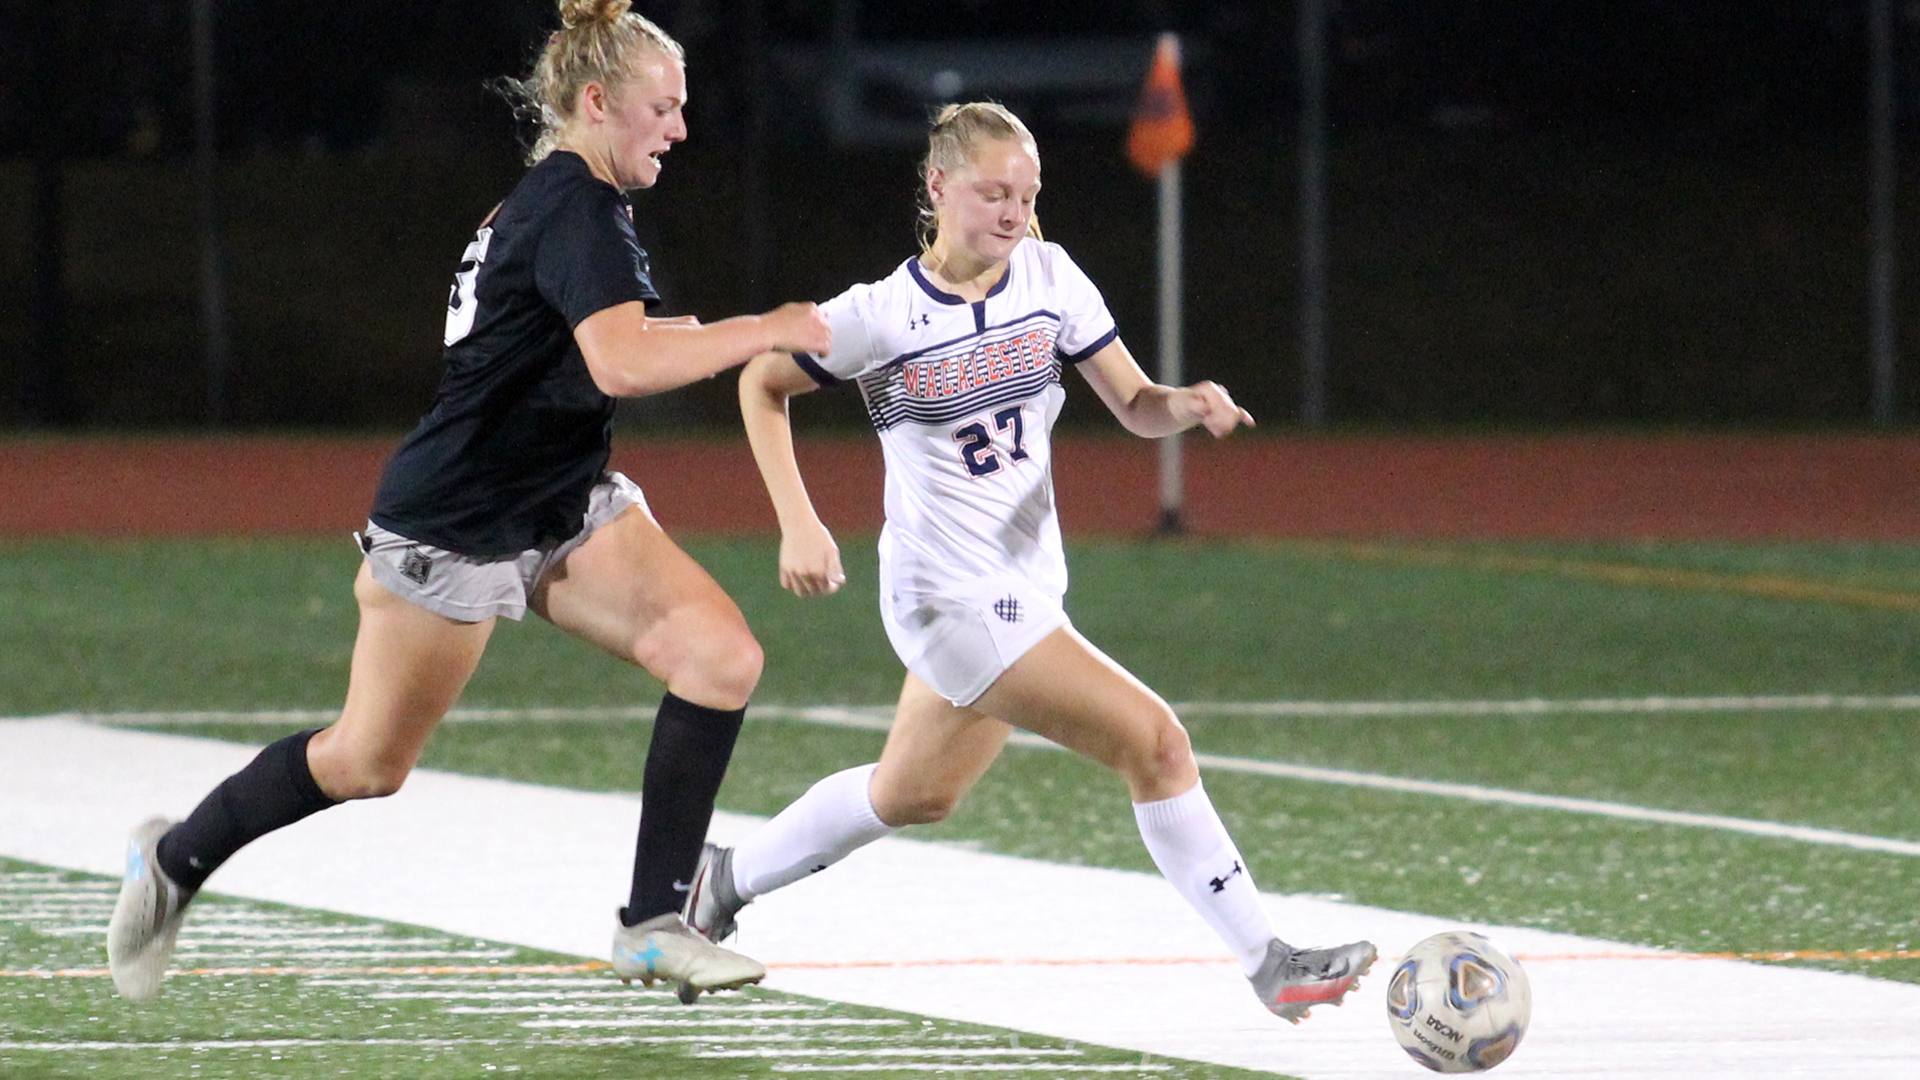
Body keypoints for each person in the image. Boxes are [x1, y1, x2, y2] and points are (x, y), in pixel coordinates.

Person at [105, 0, 830, 1004]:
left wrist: (729, 329)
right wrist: (765, 327)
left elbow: (593, 343)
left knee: (719, 658)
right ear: (596, 103)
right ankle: (173, 859)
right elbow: (621, 364)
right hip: (457, 522)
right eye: (662, 107)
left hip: (559, 499)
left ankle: (652, 924)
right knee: (366, 762)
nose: (679, 128)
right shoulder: (575, 205)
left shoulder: (571, 199)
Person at [696, 102, 1377, 1021]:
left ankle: (722, 879)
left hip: (1023, 589)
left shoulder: (1051, 278)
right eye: (993, 193)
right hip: (947, 598)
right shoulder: (880, 314)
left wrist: (1184, 403)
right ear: (938, 186)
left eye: (1027, 193)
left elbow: (1133, 403)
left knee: (913, 793)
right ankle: (1271, 962)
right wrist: (799, 522)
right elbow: (760, 380)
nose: (1014, 212)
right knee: (1156, 743)